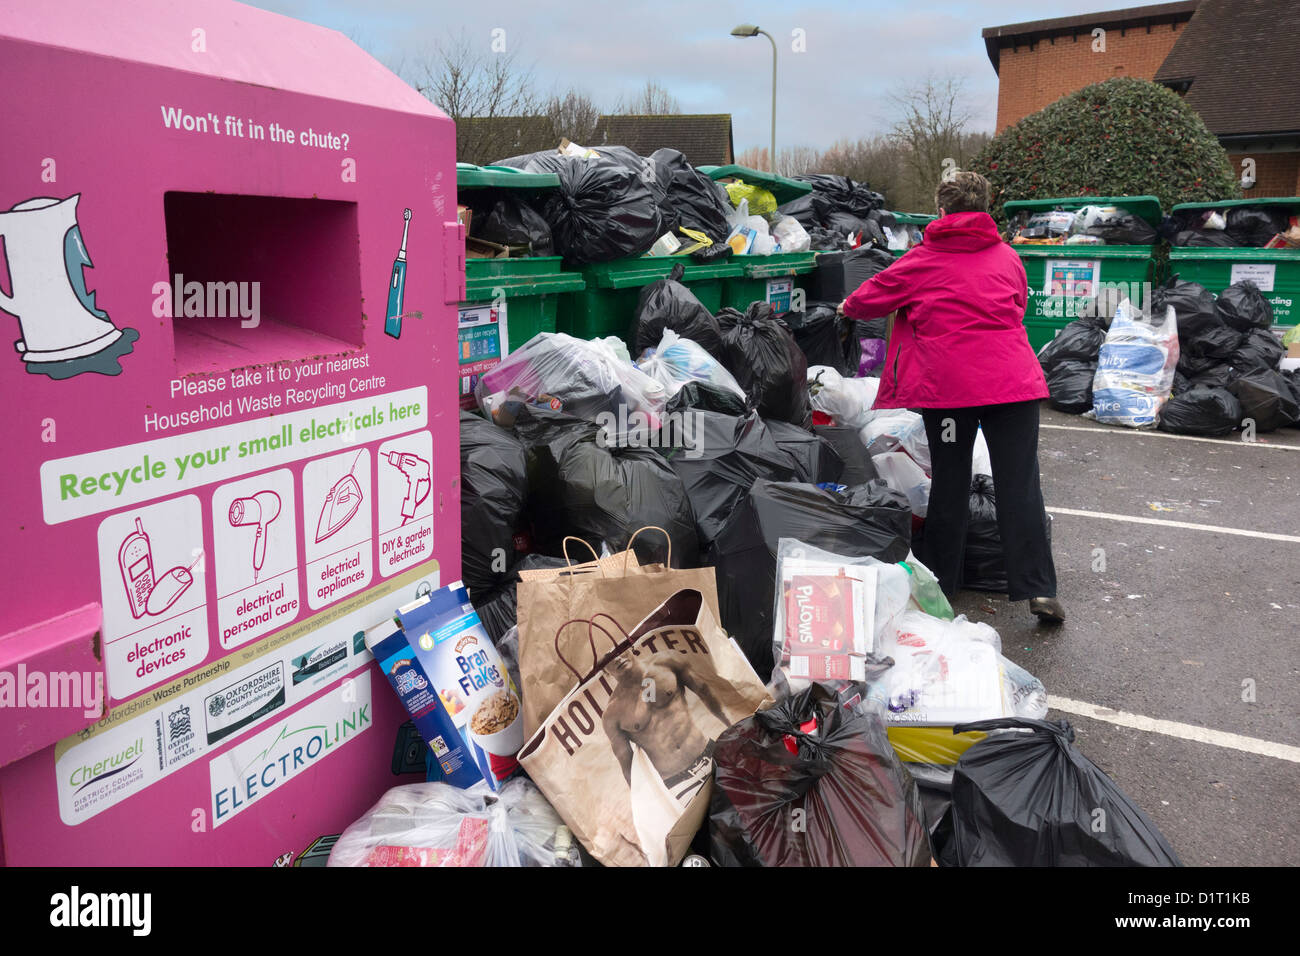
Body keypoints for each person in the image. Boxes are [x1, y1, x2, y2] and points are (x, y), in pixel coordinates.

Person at [839, 171, 1064, 624]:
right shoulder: (1007, 256)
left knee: (950, 482)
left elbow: (867, 300)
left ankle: (941, 583)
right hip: (1013, 385)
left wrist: (845, 309)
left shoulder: (921, 260)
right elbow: (1017, 306)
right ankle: (1039, 590)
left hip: (951, 391)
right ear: (985, 209)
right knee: (1020, 484)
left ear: (941, 210)